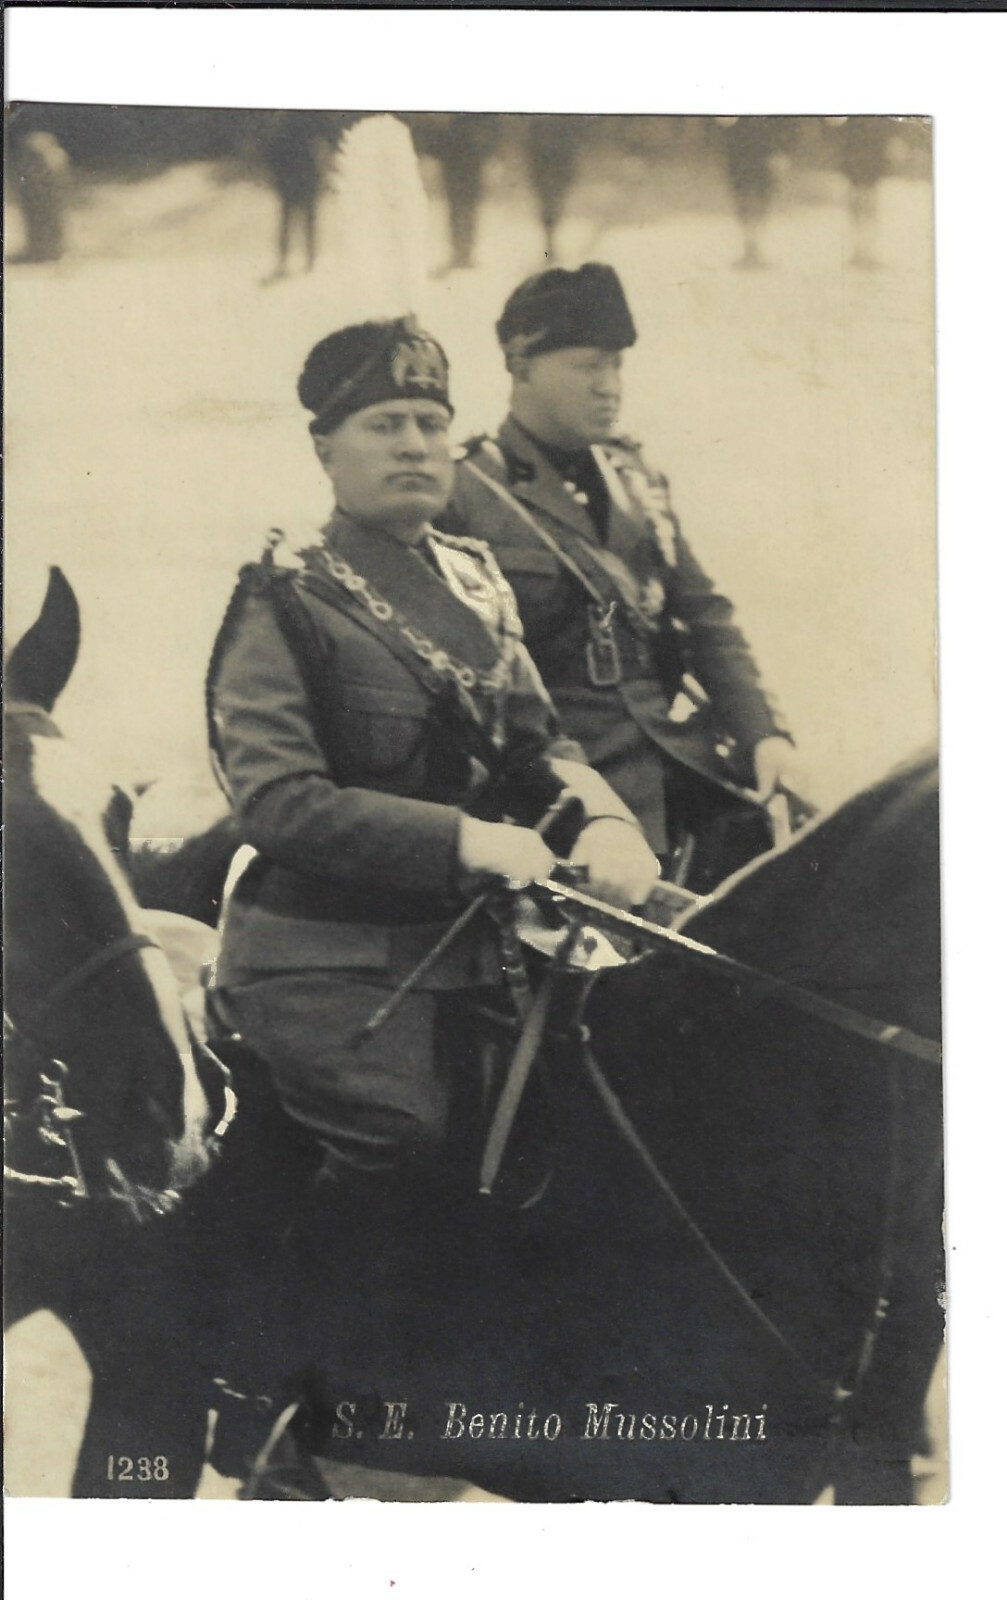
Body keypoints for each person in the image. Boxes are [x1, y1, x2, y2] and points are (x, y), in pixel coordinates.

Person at [207, 314, 658, 1219]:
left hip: (480, 953)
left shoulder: (476, 580)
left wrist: (604, 815)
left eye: (429, 425)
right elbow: (278, 803)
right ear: (325, 449)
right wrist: (466, 840)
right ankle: (279, 1352)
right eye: (383, 426)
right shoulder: (287, 595)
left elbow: (538, 749)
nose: (413, 447)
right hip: (324, 961)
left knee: (612, 1124)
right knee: (403, 1142)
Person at [441, 264, 803, 891]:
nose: (610, 387)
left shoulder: (636, 478)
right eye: (588, 367)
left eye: (616, 366)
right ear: (521, 366)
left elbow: (706, 619)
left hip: (689, 774)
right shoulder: (466, 494)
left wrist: (765, 738)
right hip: (572, 800)